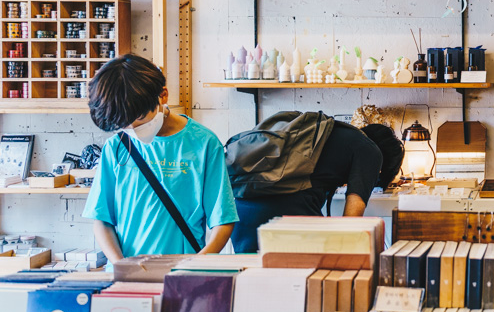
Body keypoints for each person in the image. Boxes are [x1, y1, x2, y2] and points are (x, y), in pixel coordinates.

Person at [82, 55, 238, 263]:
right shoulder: (116, 147)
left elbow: (223, 220)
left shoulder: (204, 144)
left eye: (138, 118)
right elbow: (102, 220)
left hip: (183, 274)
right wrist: (121, 265)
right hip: (129, 277)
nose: (133, 129)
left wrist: (199, 263)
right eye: (124, 123)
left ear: (163, 96)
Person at [230, 122, 404, 253]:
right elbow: (353, 217)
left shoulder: (326, 130)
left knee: (252, 283)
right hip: (286, 214)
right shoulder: (370, 151)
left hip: (241, 210)